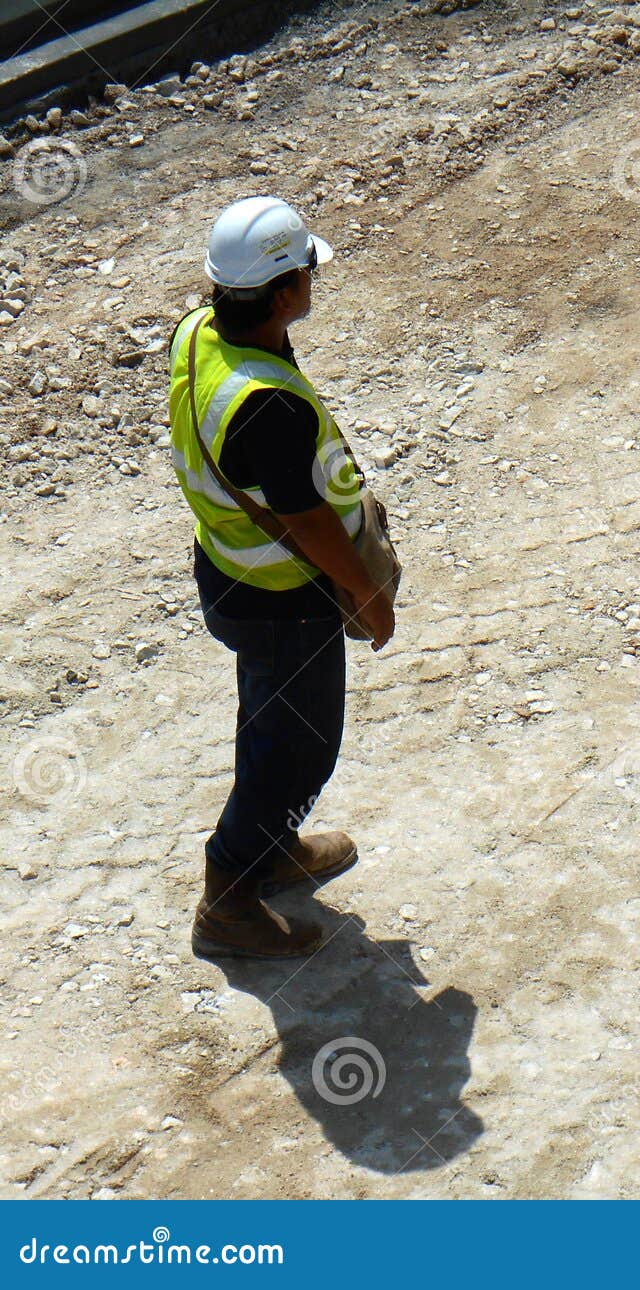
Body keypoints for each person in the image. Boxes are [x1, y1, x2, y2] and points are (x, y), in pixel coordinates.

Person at [168, 196, 395, 960]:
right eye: (306, 271)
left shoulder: (200, 333)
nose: (311, 282)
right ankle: (228, 899)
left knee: (272, 730)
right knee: (298, 751)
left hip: (228, 572)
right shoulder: (267, 406)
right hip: (281, 599)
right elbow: (305, 520)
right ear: (286, 293)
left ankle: (270, 850)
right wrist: (365, 592)